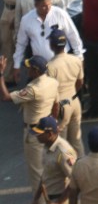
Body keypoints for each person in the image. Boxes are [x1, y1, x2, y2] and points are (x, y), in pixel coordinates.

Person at [0, 53, 61, 196]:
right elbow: (56, 105)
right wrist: (53, 122)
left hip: (34, 133)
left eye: (30, 68)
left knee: (36, 173)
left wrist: (1, 74)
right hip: (47, 130)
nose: (27, 70)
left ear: (36, 70)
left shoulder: (34, 89)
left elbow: (6, 96)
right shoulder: (52, 82)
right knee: (46, 168)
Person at [30, 114, 77, 204]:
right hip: (50, 200)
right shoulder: (47, 146)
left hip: (62, 201)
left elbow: (75, 180)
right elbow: (45, 175)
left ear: (50, 134)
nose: (36, 136)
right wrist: (36, 199)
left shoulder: (63, 152)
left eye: (40, 134)